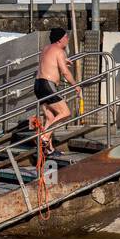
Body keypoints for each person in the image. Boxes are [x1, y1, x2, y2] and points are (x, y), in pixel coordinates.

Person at [35, 27, 78, 155]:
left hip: (38, 85)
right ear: (60, 39)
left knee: (50, 117)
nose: (67, 39)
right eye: (66, 37)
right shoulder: (59, 51)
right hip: (48, 85)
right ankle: (43, 137)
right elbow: (65, 72)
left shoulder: (46, 48)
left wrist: (63, 61)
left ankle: (49, 149)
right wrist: (76, 85)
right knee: (65, 113)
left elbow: (49, 61)